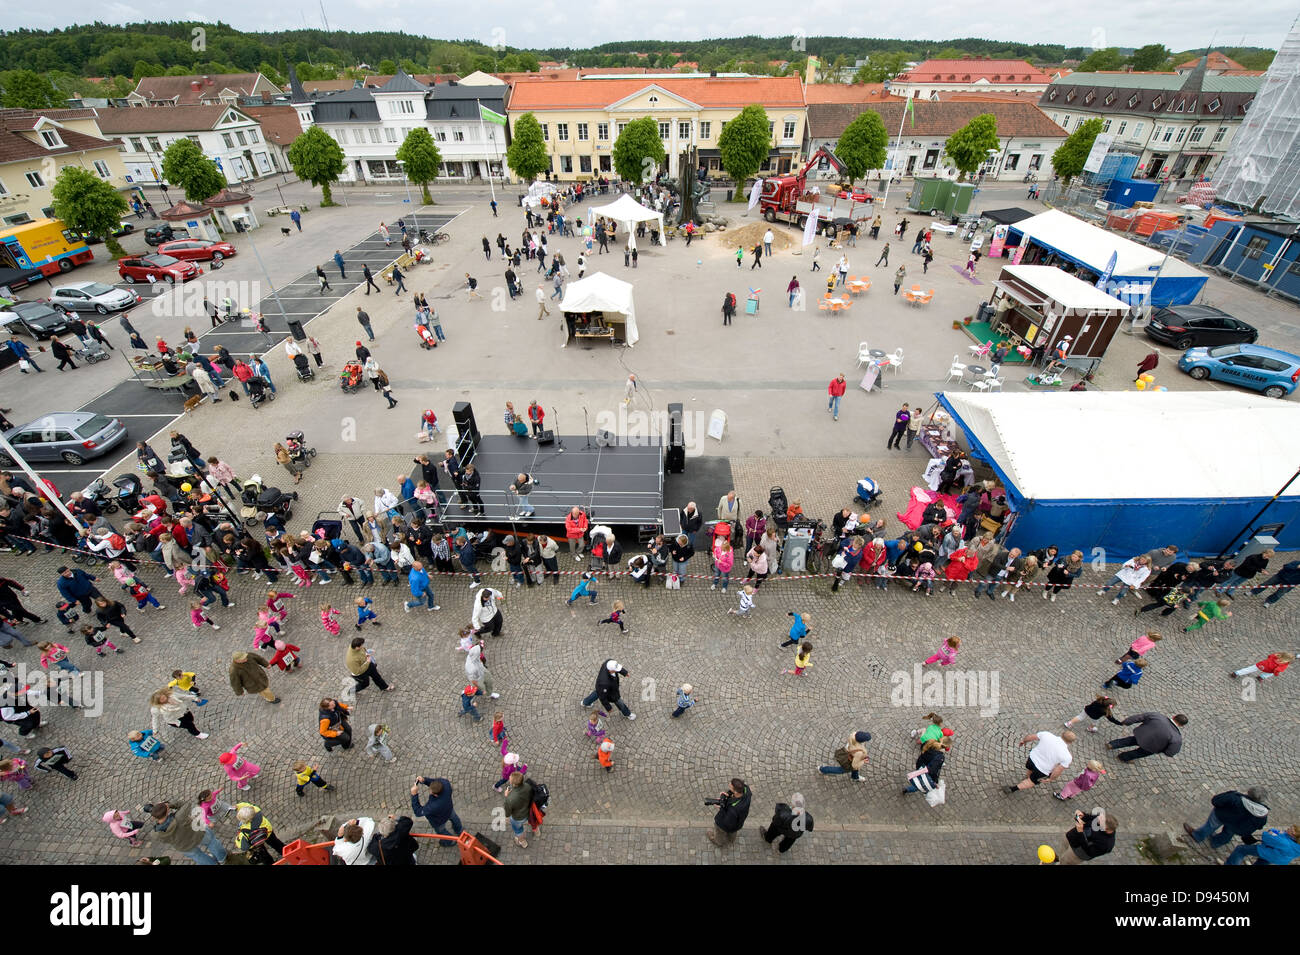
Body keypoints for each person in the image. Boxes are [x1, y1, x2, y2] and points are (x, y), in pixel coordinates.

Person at [1183, 787, 1269, 850]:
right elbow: (1260, 826)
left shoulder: (1235, 798)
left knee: (1210, 826)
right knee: (1227, 834)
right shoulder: (1262, 813)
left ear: (1249, 792)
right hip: (1237, 827)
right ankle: (1215, 843)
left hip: (1221, 816)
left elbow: (1216, 801)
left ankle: (1198, 836)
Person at [149, 800, 227, 865]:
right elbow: (186, 804)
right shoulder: (179, 816)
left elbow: (164, 840)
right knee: (211, 842)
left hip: (183, 846)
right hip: (197, 834)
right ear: (167, 810)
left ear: (154, 817)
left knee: (198, 856)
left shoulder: (155, 834)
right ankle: (222, 859)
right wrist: (170, 805)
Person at [1007, 729, 1075, 792]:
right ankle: (1013, 789)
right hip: (1042, 770)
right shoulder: (1067, 757)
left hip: (1032, 759)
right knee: (1031, 781)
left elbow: (1031, 737)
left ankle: (1028, 777)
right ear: (1070, 743)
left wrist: (1024, 741)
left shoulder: (1047, 735)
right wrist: (1051, 779)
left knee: (1030, 769)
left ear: (1062, 734)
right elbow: (1058, 770)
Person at [1107, 712, 1187, 762]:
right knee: (1138, 753)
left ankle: (1112, 744)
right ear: (1181, 725)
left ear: (1174, 716)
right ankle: (1123, 757)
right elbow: (1170, 752)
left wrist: (1126, 722)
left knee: (1129, 740)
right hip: (1152, 748)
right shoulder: (1177, 738)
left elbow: (1140, 717)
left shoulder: (1157, 716)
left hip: (1141, 735)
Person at [706, 778, 752, 847]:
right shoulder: (746, 790)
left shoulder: (734, 810)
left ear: (736, 792)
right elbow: (734, 794)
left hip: (725, 825)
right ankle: (731, 839)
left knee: (720, 832)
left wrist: (721, 807)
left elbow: (727, 822)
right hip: (738, 823)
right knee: (733, 831)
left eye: (730, 788)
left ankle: (718, 842)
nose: (729, 787)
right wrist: (728, 794)